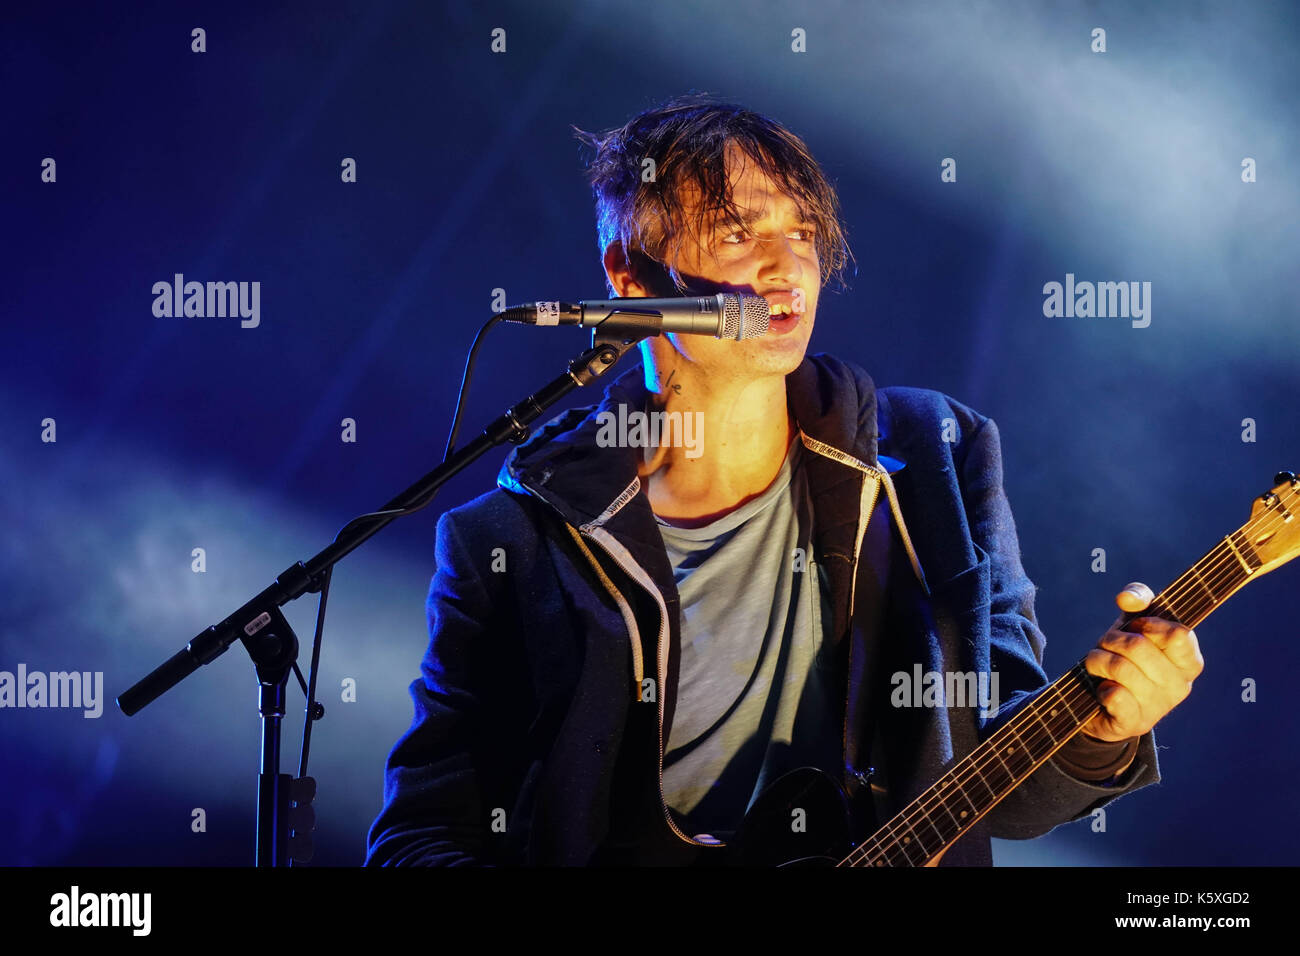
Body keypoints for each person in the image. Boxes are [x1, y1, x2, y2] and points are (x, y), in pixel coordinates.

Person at [364, 94, 1203, 866]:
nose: (785, 268)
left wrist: (1104, 728)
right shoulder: (513, 540)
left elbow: (1001, 788)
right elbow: (423, 834)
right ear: (628, 277)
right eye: (739, 234)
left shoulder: (934, 456)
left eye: (801, 234)